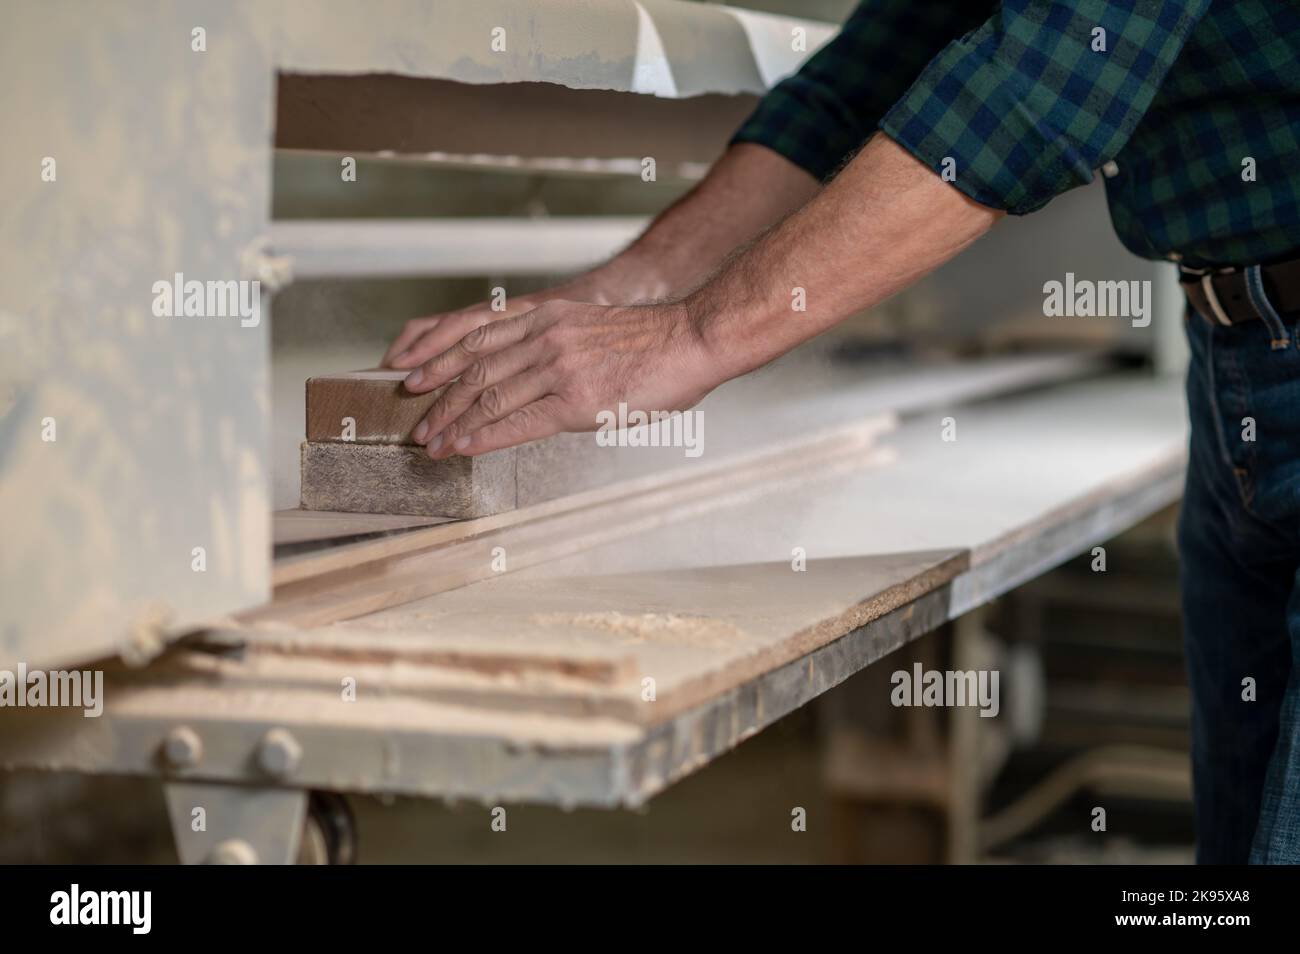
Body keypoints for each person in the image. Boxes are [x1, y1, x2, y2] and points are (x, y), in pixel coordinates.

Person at [381, 1, 1300, 863]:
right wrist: (624, 291)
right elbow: (860, 85)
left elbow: (1031, 93)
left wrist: (689, 338)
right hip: (1234, 352)